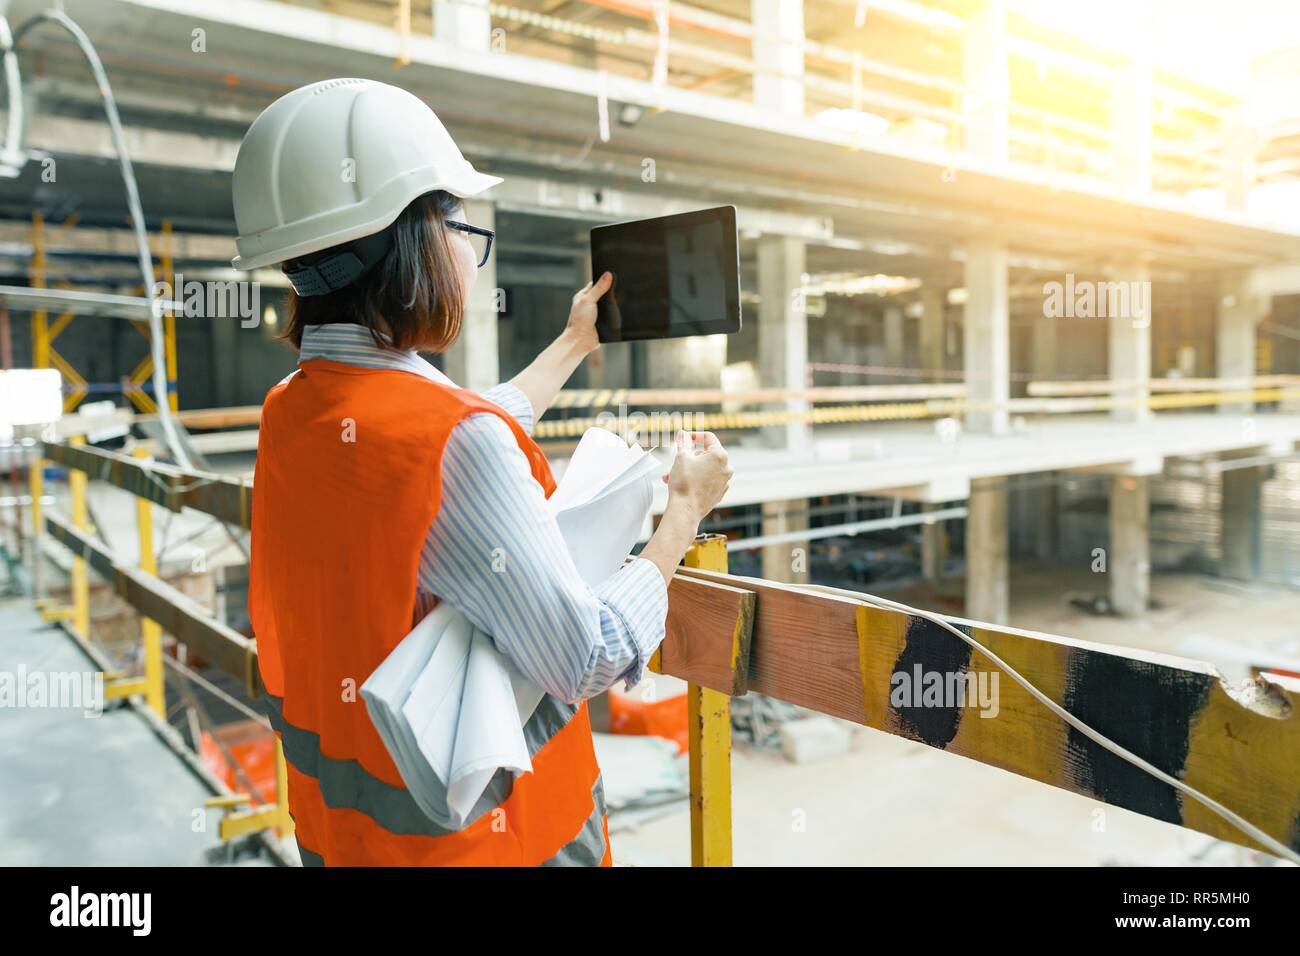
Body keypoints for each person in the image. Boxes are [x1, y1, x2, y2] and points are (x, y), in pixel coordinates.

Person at [232, 78, 732, 866]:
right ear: (409, 245)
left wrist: (573, 344)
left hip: (343, 840)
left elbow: (449, 425)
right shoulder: (456, 442)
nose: (467, 250)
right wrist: (681, 514)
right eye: (457, 223)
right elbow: (587, 655)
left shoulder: (293, 409)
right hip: (495, 844)